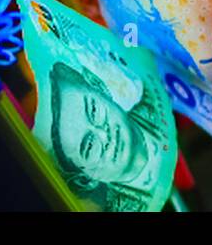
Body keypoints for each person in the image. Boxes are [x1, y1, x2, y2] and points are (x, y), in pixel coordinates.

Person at [48, 60, 170, 211]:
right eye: (90, 146)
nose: (104, 135)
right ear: (84, 180)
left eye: (93, 110)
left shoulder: (157, 88)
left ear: (100, 86)